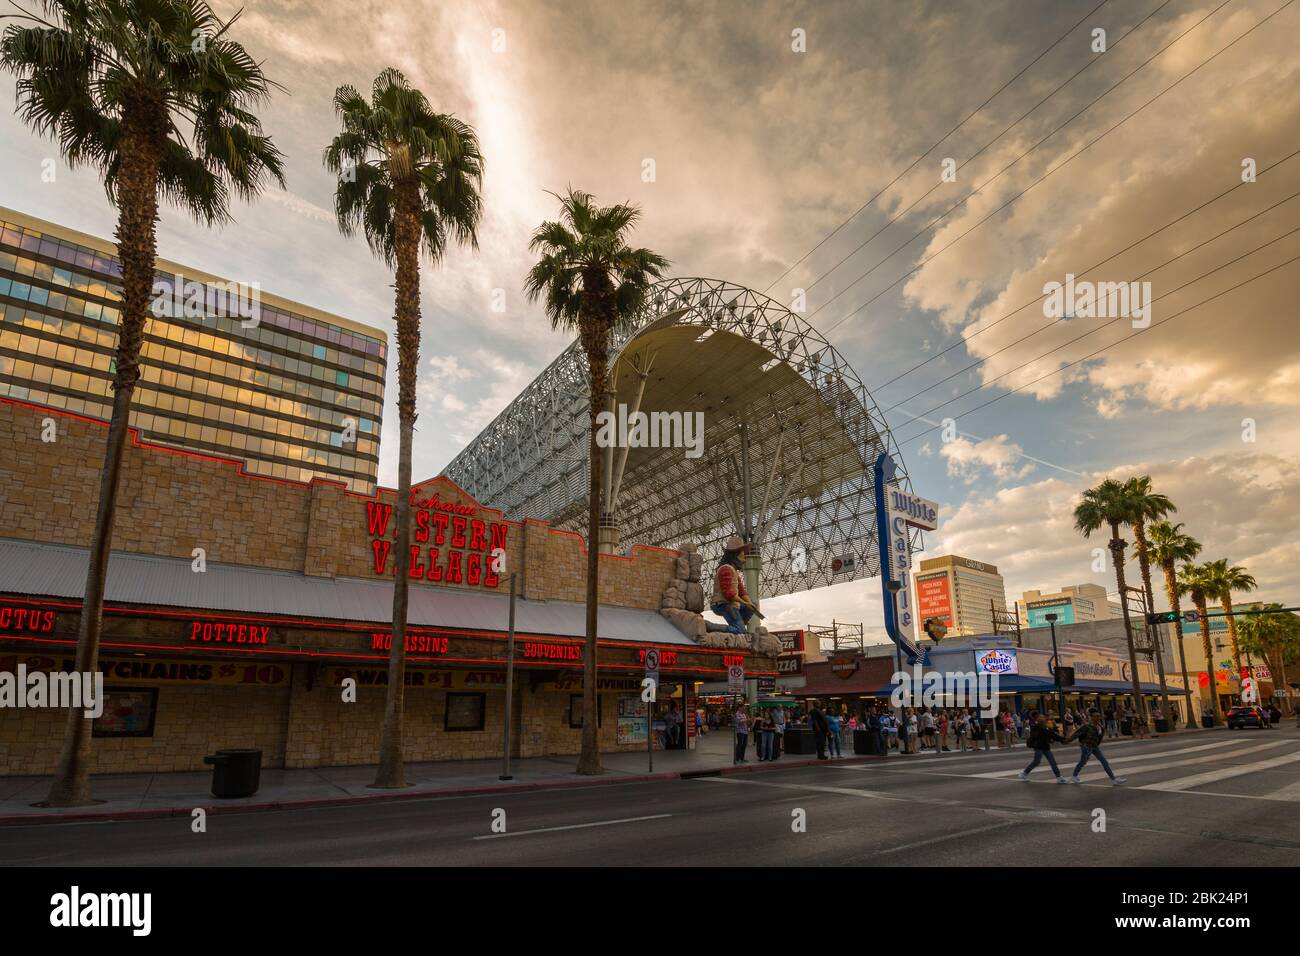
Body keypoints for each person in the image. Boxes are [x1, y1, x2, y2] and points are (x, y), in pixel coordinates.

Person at [711, 536, 758, 634]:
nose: (744, 558)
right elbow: (729, 594)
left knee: (753, 605)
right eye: (742, 554)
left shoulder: (734, 572)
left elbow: (741, 591)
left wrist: (750, 604)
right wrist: (745, 603)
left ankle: (738, 624)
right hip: (723, 604)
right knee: (740, 631)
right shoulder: (725, 569)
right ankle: (712, 627)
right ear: (735, 555)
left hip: (732, 603)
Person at [1069, 709, 1127, 785]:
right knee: (1083, 762)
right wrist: (1066, 741)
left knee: (1104, 762)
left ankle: (1113, 779)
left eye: (1099, 716)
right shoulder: (1087, 726)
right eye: (1096, 716)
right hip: (1087, 747)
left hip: (1095, 747)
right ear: (1091, 717)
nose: (1098, 717)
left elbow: (1098, 737)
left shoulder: (1100, 726)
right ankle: (1074, 775)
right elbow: (1076, 734)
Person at [1018, 713, 1069, 783]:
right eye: (1043, 719)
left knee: (1052, 762)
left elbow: (1053, 735)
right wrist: (1062, 739)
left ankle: (1059, 777)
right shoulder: (1037, 728)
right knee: (1037, 761)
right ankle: (1024, 773)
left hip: (1045, 747)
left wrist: (1063, 739)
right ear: (1040, 721)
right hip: (1039, 747)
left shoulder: (1045, 728)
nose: (1044, 720)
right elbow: (1050, 735)